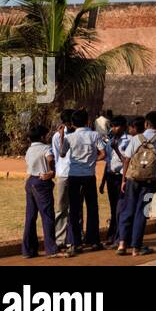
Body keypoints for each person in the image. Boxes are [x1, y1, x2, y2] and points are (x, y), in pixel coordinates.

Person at [117, 111, 156, 257]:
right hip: (150, 182)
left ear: (146, 123)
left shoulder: (136, 139)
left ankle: (122, 244)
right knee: (142, 213)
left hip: (133, 180)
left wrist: (124, 179)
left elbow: (126, 159)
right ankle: (136, 248)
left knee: (127, 210)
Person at [59, 108, 105, 256]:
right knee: (92, 208)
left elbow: (62, 153)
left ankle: (75, 242)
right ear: (87, 121)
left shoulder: (70, 137)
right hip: (88, 175)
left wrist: (61, 137)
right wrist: (92, 161)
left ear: (72, 123)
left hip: (74, 175)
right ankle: (93, 241)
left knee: (74, 208)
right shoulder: (94, 135)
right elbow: (103, 153)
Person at [22, 124, 59, 259]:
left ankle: (28, 250)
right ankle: (51, 249)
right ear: (42, 137)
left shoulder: (29, 150)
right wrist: (52, 171)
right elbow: (50, 158)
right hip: (42, 182)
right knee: (47, 215)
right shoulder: (45, 148)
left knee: (30, 217)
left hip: (30, 181)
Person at [100, 115, 128, 246]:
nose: (113, 129)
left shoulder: (128, 141)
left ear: (123, 127)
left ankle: (119, 238)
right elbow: (108, 162)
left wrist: (116, 149)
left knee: (120, 209)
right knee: (113, 208)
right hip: (111, 177)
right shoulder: (110, 141)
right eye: (112, 126)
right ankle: (112, 236)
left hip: (121, 177)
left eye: (116, 126)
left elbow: (127, 162)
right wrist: (102, 181)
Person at [50, 108, 73, 246]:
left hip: (74, 174)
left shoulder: (75, 135)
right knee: (61, 208)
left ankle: (73, 238)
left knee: (74, 208)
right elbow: (58, 156)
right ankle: (59, 239)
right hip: (63, 173)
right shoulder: (57, 137)